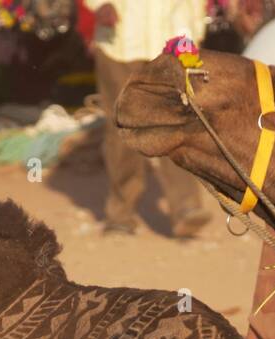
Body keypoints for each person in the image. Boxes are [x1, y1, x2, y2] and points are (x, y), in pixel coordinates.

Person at [83, 0, 210, 238]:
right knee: (123, 128)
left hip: (174, 40)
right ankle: (120, 213)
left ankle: (186, 207)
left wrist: (196, 32)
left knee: (175, 123)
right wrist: (99, 4)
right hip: (120, 40)